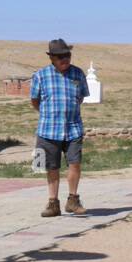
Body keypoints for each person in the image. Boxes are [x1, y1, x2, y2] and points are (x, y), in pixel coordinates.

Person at [31, 39, 89, 217]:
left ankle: (73, 200)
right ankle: (53, 203)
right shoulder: (40, 76)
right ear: (52, 58)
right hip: (48, 130)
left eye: (67, 55)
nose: (65, 59)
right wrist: (49, 114)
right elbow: (35, 101)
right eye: (61, 56)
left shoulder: (78, 74)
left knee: (75, 163)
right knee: (51, 166)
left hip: (73, 129)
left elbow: (81, 98)